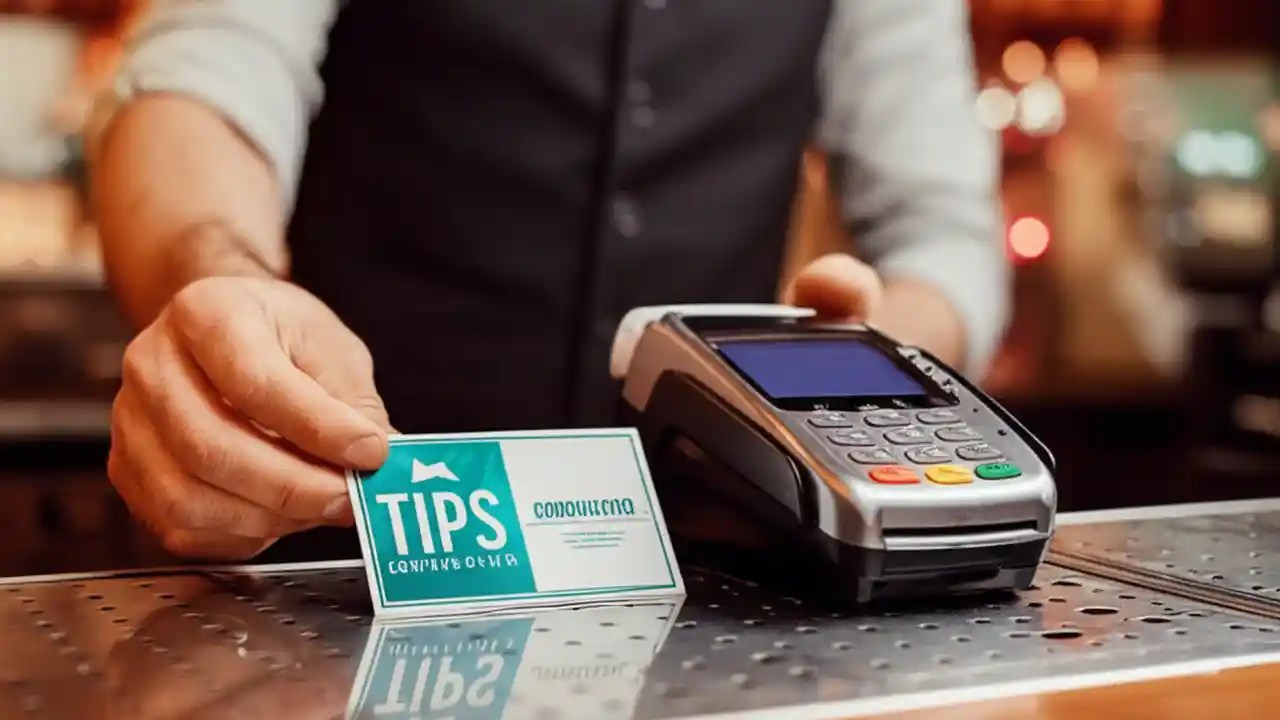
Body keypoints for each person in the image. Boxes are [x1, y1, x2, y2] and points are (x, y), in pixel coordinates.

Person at [90, 0, 1007, 562]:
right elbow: (200, 80)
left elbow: (944, 234)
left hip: (703, 594)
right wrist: (225, 282)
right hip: (331, 571)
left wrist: (870, 365)